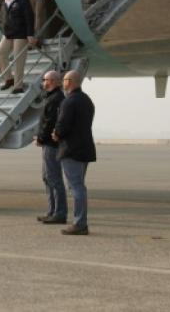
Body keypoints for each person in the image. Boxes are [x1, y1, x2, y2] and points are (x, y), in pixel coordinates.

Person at [52, 70, 95, 235]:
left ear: (69, 82)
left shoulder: (69, 101)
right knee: (79, 186)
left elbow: (62, 125)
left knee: (76, 187)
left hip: (71, 150)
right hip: (85, 149)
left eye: (64, 80)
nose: (63, 82)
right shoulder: (87, 100)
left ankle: (80, 223)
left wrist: (56, 134)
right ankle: (80, 222)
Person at [34, 70, 66, 224]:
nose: (43, 82)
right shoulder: (52, 97)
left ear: (52, 81)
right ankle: (52, 211)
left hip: (51, 144)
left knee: (54, 178)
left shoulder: (56, 98)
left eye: (44, 79)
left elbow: (50, 122)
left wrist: (41, 138)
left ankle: (59, 213)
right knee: (47, 178)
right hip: (48, 144)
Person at [0, 0, 36, 93]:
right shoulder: (4, 2)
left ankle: (18, 86)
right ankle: (9, 79)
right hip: (8, 33)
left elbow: (29, 17)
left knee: (18, 58)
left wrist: (30, 34)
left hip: (20, 33)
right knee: (0, 52)